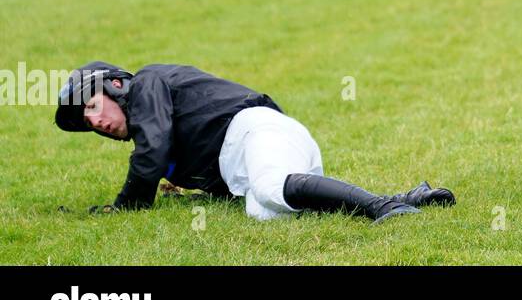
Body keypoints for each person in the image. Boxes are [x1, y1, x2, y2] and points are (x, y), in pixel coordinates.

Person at [55, 61, 455, 222]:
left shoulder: (147, 84)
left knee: (266, 189)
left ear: (117, 85)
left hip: (257, 133)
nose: (95, 122)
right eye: (87, 122)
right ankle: (410, 197)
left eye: (93, 105)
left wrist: (126, 207)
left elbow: (152, 151)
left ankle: (384, 207)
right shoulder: (153, 120)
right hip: (262, 155)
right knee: (263, 212)